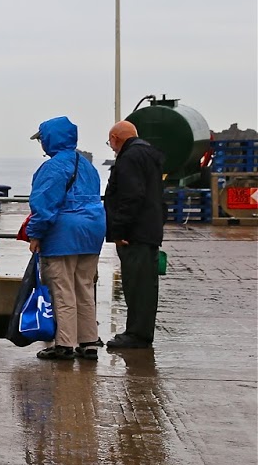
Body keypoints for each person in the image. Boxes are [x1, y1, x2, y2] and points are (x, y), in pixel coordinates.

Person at [26, 116, 107, 361]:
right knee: (84, 286)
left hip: (63, 233)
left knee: (62, 289)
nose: (41, 144)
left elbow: (44, 204)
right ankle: (89, 341)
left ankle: (64, 344)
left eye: (42, 139)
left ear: (50, 140)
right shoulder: (87, 165)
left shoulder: (52, 167)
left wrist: (35, 234)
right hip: (92, 231)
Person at [104, 120, 166, 350]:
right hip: (148, 230)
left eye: (110, 142)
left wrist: (119, 230)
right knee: (146, 287)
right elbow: (157, 195)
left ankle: (137, 335)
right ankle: (139, 332)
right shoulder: (149, 155)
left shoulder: (129, 158)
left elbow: (130, 197)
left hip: (135, 234)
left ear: (116, 138)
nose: (111, 147)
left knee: (137, 286)